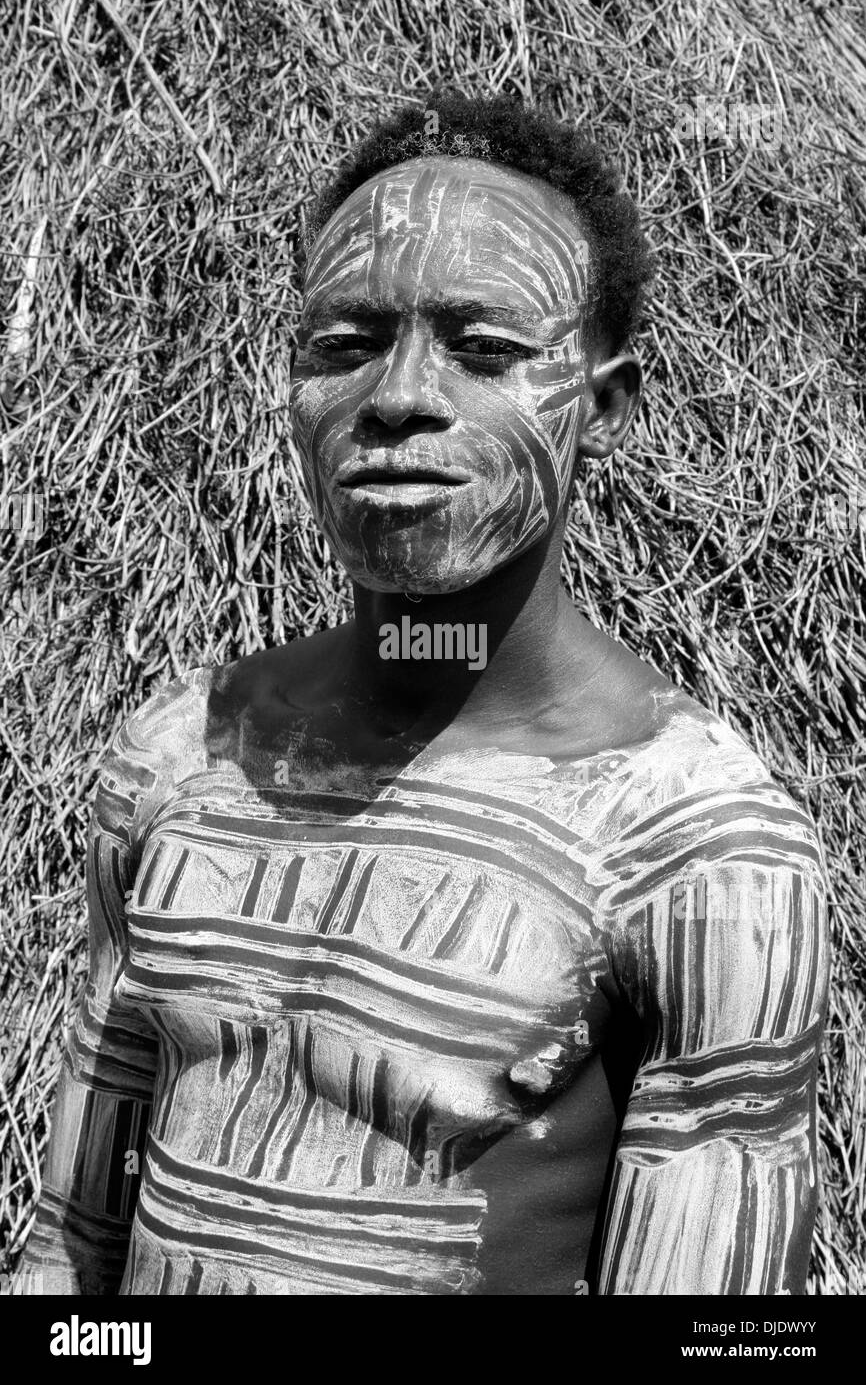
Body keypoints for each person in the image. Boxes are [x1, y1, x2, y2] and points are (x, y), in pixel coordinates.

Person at [19, 89, 828, 1295]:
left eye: (483, 348)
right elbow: (66, 1257)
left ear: (604, 402)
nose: (397, 398)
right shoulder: (178, 760)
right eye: (343, 347)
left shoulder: (697, 852)